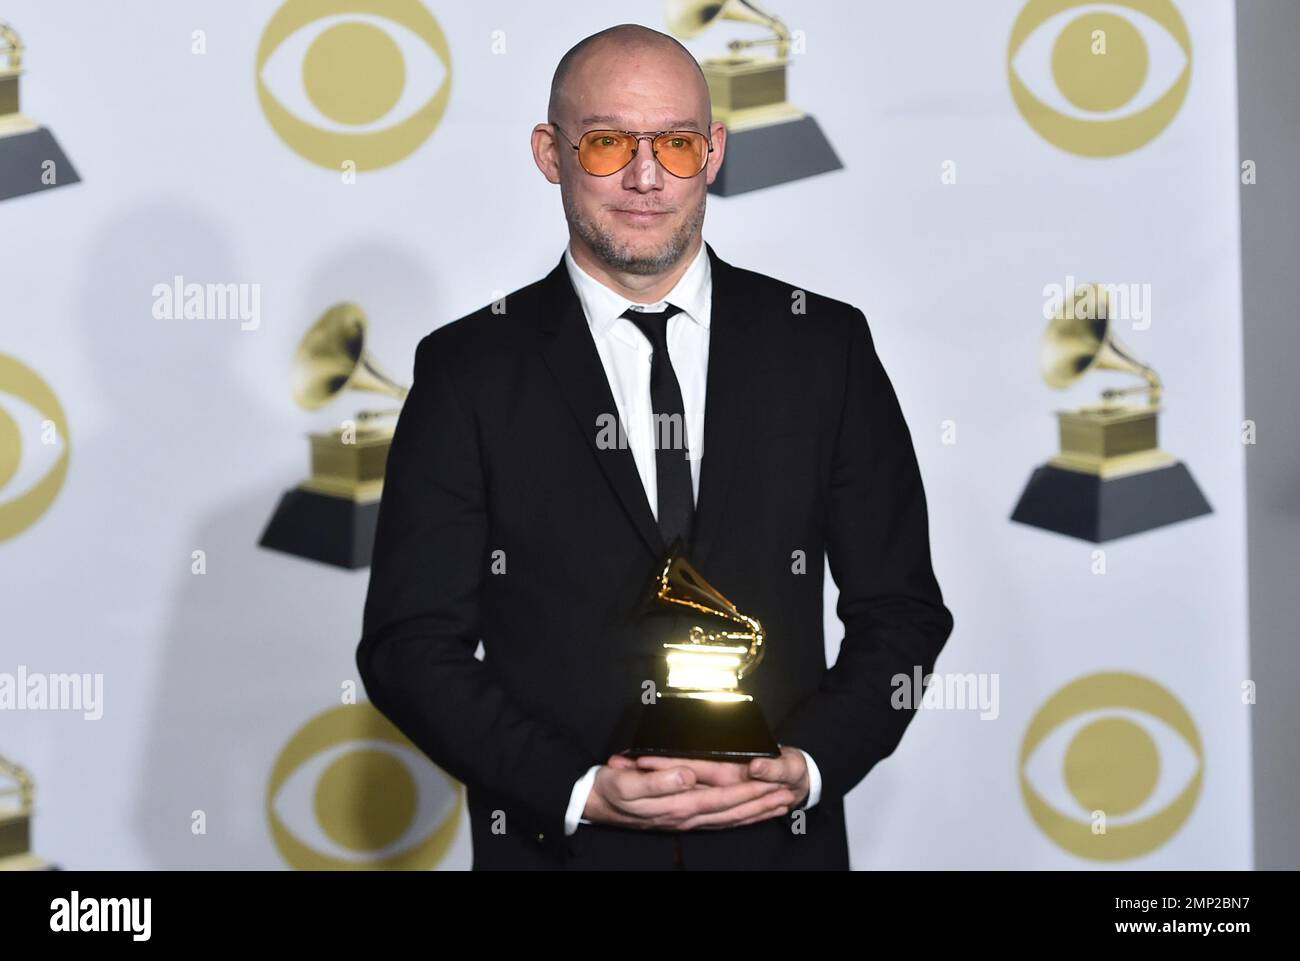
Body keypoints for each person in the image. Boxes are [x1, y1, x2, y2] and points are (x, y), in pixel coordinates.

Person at [357, 23, 954, 870]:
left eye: (674, 143)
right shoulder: (468, 369)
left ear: (711, 152)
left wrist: (809, 767)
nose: (645, 177)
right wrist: (574, 787)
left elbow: (902, 610)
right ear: (549, 152)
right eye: (606, 143)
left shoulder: (825, 348)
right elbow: (409, 645)